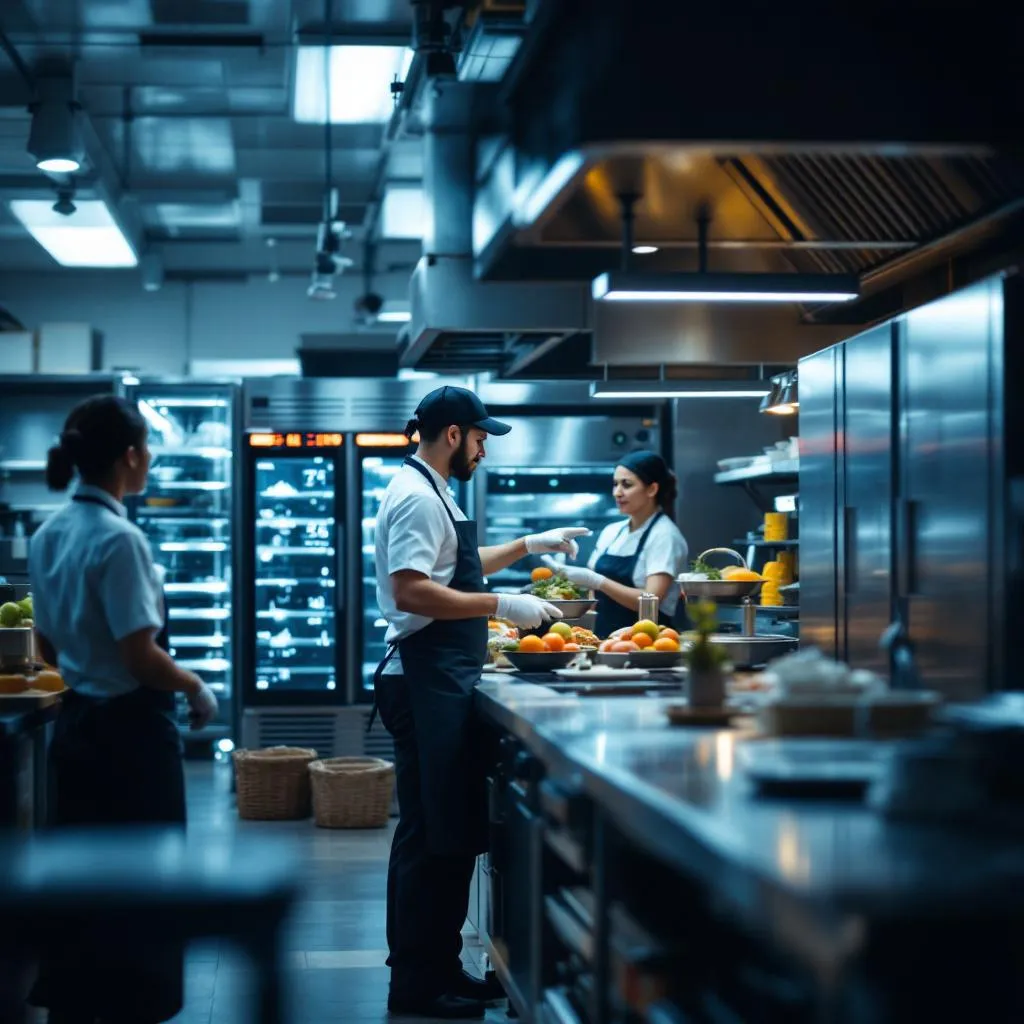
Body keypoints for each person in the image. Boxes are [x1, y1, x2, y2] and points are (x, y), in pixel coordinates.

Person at [373, 385, 589, 1020]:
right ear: (451, 436)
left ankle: (440, 969)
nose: (484, 449)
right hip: (423, 678)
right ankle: (416, 982)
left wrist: (527, 547)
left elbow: (452, 570)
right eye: (479, 437)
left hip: (441, 677)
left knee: (445, 835)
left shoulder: (433, 488)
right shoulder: (415, 496)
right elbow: (412, 591)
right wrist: (503, 605)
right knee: (427, 837)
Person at [26, 394, 219, 1024]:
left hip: (77, 727)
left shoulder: (47, 533)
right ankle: (135, 1002)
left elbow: (45, 643)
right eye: (148, 451)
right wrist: (193, 685)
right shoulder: (121, 539)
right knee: (145, 879)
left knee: (82, 880)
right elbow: (141, 655)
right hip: (133, 737)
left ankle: (81, 1001)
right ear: (131, 456)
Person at [545, 450, 688, 637]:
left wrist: (598, 581)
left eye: (626, 485)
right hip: (605, 636)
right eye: (615, 484)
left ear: (652, 489)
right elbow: (593, 595)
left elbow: (651, 599)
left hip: (645, 641)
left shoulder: (665, 535)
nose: (617, 493)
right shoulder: (612, 531)